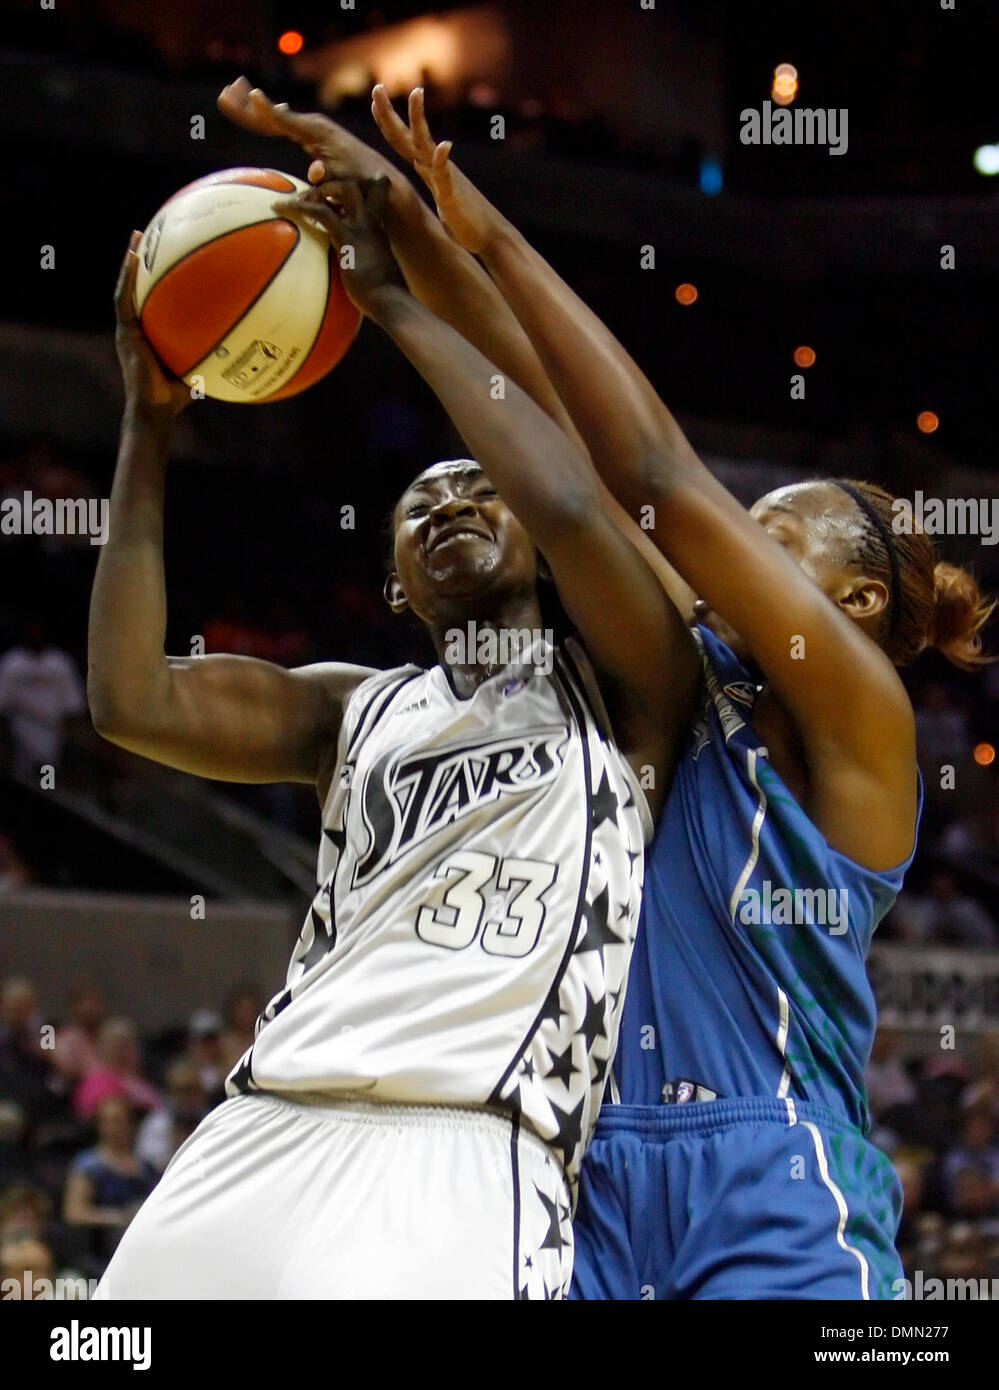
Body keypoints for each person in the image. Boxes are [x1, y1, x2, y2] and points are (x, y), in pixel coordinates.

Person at [368, 86, 995, 1299]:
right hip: (585, 1171)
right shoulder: (681, 670)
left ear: (855, 605)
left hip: (774, 1168)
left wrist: (494, 235)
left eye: (772, 537)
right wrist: (412, 250)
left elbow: (653, 473)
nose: (730, 552)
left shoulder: (860, 715)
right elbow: (551, 433)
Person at [87, 172, 698, 1297]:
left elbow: (571, 501)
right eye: (420, 508)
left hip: (470, 1140)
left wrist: (395, 301)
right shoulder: (347, 708)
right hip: (264, 1119)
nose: (453, 507)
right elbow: (132, 700)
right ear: (398, 587)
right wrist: (147, 424)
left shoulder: (631, 691)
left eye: (479, 490)